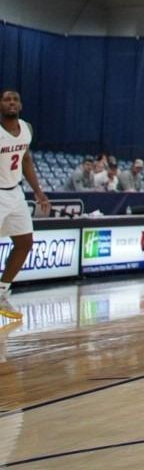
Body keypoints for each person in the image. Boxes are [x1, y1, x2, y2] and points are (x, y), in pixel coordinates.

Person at [0, 91, 50, 321]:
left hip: (15, 193)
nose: (12, 103)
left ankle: (1, 292)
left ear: (20, 105)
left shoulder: (26, 128)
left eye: (15, 99)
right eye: (7, 99)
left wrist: (38, 193)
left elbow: (26, 159)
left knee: (25, 242)